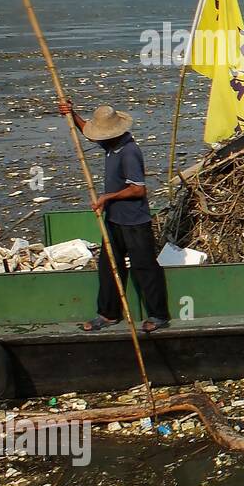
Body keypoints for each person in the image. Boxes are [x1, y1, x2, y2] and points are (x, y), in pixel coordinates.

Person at [58, 101, 171, 333]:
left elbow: (138, 189)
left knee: (144, 267)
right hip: (115, 220)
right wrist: (72, 114)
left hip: (135, 222)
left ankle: (158, 315)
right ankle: (108, 314)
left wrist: (107, 198)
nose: (97, 137)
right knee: (109, 266)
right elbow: (89, 134)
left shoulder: (129, 152)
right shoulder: (111, 145)